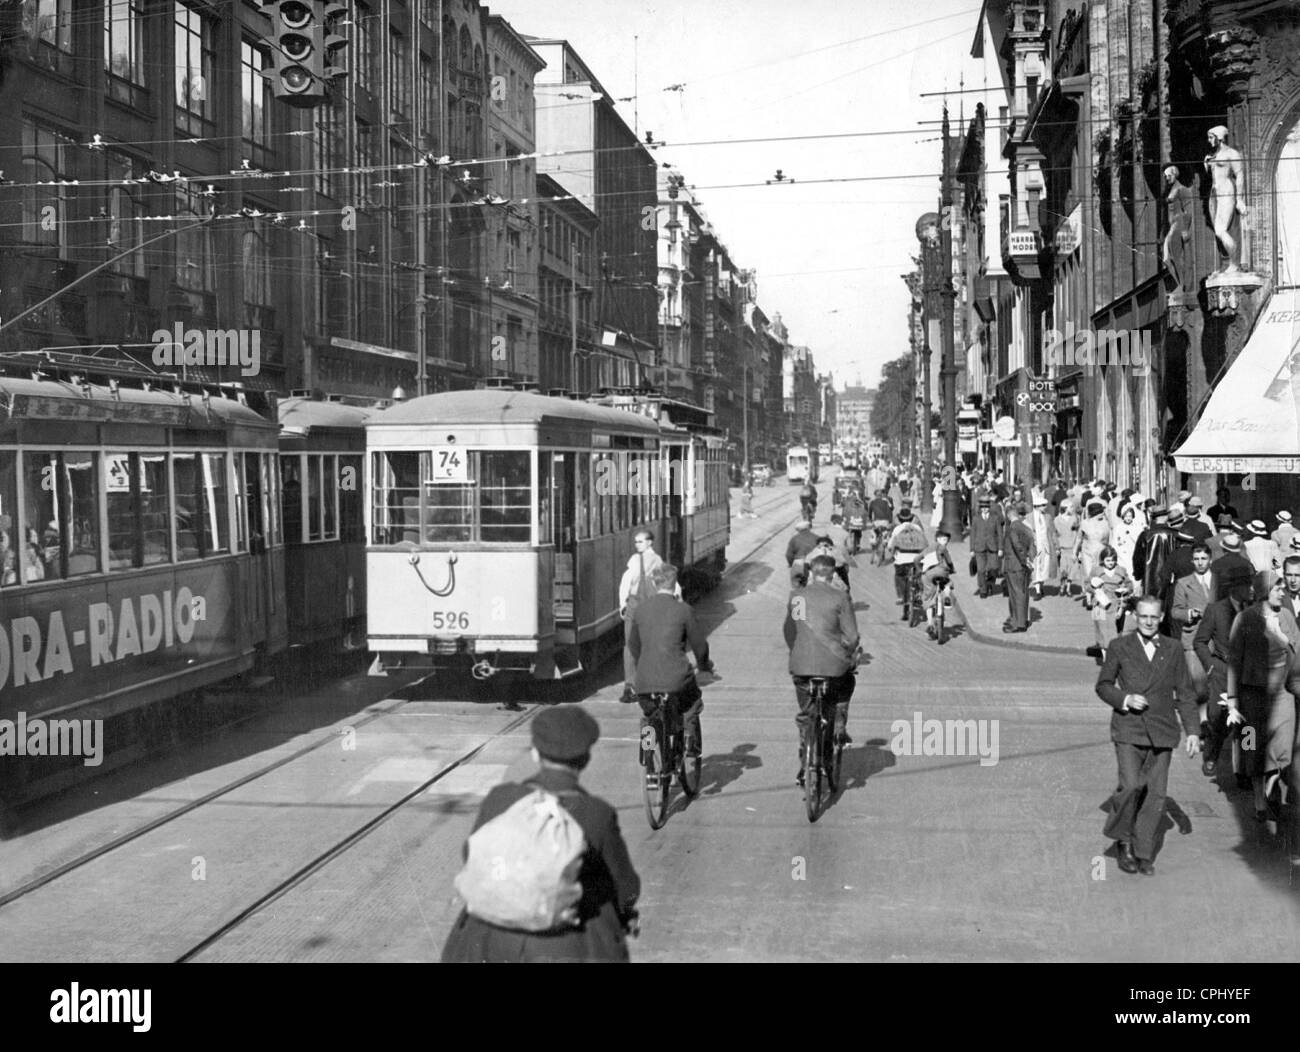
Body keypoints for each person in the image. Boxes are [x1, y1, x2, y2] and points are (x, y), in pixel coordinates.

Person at [441, 706, 641, 962]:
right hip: (562, 949)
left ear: (535, 753)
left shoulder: (500, 799)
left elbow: (470, 855)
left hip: (487, 947)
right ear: (585, 761)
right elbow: (625, 887)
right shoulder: (597, 814)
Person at [1096, 596, 1201, 876]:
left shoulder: (1174, 648)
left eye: (1154, 617)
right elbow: (1103, 686)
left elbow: (1186, 692)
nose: (1149, 622)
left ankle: (1142, 852)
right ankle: (1123, 840)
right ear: (1135, 616)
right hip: (1129, 728)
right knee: (1130, 785)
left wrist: (1192, 730)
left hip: (1162, 731)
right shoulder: (1120, 646)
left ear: (1162, 616)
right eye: (1143, 617)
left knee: (1155, 796)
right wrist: (1125, 698)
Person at [1226, 573, 1299, 822]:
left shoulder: (1287, 616)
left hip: (1282, 694)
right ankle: (1260, 799)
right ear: (1263, 592)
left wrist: (1280, 635)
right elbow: (1234, 660)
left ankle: (1271, 787)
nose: (1283, 592)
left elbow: (1297, 652)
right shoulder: (1244, 619)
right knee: (1251, 747)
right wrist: (1233, 700)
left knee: (1284, 749)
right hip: (1251, 696)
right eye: (1278, 588)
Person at [783, 554, 860, 786]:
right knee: (842, 690)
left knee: (807, 714)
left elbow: (790, 631)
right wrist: (848, 651)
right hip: (833, 668)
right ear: (832, 574)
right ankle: (836, 728)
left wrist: (800, 650)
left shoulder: (798, 598)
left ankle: (804, 762)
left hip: (801, 666)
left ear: (811, 573)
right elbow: (852, 636)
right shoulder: (840, 597)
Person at [628, 563, 712, 762]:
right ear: (676, 585)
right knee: (692, 703)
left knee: (651, 715)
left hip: (645, 682)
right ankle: (691, 743)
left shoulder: (640, 610)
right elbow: (700, 645)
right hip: (677, 679)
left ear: (654, 584)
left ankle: (647, 752)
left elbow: (633, 646)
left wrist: (646, 663)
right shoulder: (684, 610)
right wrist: (704, 665)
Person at [1195, 581, 1253, 783]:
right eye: (1245, 582)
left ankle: (1246, 768)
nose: (1249, 588)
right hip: (1222, 672)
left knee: (1247, 723)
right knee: (1217, 718)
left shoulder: (1253, 609)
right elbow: (1200, 641)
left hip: (1247, 674)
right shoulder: (1216, 610)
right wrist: (1210, 666)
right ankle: (1211, 755)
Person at [617, 530, 677, 703]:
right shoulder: (658, 561)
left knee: (630, 645)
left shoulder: (636, 561)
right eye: (636, 542)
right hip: (650, 606)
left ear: (650, 542)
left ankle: (631, 686)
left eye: (641, 542)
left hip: (635, 606)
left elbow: (625, 584)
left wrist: (623, 605)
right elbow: (669, 584)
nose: (637, 545)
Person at [1171, 544, 1215, 699]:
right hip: (1193, 637)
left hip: (1216, 640)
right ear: (1192, 561)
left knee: (1216, 685)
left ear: (1210, 560)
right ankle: (1202, 720)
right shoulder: (1183, 583)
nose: (1200, 562)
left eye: (1203, 558)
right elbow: (1175, 611)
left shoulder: (1220, 581)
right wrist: (1189, 613)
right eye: (1196, 559)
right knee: (1199, 686)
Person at [1205, 125, 1249, 271]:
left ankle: (1235, 263)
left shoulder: (1231, 153)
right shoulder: (1214, 155)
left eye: (1211, 137)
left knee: (1220, 230)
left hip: (1226, 192)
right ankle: (1230, 263)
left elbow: (1240, 174)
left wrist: (1240, 199)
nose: (1209, 140)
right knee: (1218, 229)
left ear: (1219, 137)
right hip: (1215, 194)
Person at [1088, 546, 1135, 660]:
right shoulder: (1096, 570)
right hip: (1100, 604)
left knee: (1117, 630)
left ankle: (1112, 654)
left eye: (1113, 560)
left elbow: (1129, 585)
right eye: (1108, 560)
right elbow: (1087, 585)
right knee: (1102, 630)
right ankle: (1106, 655)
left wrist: (1126, 591)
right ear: (1102, 560)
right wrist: (1094, 589)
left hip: (1117, 604)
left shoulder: (1121, 571)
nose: (1111, 563)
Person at [1001, 502, 1036, 633]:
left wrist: (1024, 560)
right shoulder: (1024, 527)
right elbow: (1031, 544)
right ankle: (1022, 620)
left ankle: (1018, 623)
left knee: (1016, 594)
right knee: (1023, 592)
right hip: (1022, 566)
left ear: (1009, 515)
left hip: (1015, 565)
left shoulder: (1012, 528)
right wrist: (1029, 560)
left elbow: (1016, 546)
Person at [885, 507, 928, 612]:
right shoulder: (917, 528)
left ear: (900, 519)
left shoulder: (897, 529)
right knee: (919, 576)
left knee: (899, 576)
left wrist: (891, 551)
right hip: (917, 559)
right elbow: (925, 543)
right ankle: (918, 594)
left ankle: (900, 596)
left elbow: (890, 546)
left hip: (901, 559)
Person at [920, 528, 956, 640]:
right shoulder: (943, 549)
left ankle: (930, 623)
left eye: (945, 539)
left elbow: (920, 559)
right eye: (943, 539)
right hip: (941, 574)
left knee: (928, 599)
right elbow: (949, 562)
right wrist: (952, 569)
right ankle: (946, 597)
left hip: (928, 576)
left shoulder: (928, 549)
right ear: (938, 539)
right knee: (948, 583)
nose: (944, 541)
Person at [970, 495, 1004, 599]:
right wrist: (971, 549)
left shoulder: (995, 518)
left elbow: (999, 534)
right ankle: (983, 590)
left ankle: (989, 583)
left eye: (986, 507)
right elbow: (972, 534)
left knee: (993, 569)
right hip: (979, 548)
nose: (984, 509)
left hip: (992, 547)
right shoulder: (976, 519)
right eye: (982, 507)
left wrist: (1000, 548)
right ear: (980, 508)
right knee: (981, 570)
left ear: (989, 507)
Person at [1210, 531, 1253, 601]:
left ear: (1223, 548)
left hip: (1222, 601)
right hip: (1243, 601)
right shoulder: (1248, 564)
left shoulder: (1217, 564)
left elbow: (1213, 589)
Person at [1075, 500, 1111, 582]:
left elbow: (1107, 539)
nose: (1103, 513)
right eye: (1102, 511)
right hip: (1087, 552)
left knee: (1100, 573)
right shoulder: (1084, 523)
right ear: (1097, 512)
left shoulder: (1105, 523)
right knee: (1088, 573)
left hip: (1100, 552)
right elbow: (1079, 538)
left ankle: (1097, 592)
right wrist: (1075, 552)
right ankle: (1089, 592)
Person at [1029, 496, 1054, 600]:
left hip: (1045, 545)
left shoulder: (1047, 517)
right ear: (1037, 506)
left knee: (1044, 567)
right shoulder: (1030, 517)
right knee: (1036, 568)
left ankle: (1041, 585)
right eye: (1043, 505)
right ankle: (1037, 590)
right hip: (1035, 545)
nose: (1045, 507)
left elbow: (1052, 531)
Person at [1055, 501, 1081, 597]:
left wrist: (1078, 549)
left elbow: (1078, 534)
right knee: (1063, 570)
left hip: (1072, 547)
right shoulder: (1057, 520)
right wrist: (1057, 547)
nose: (1072, 509)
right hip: (1062, 548)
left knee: (1072, 570)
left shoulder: (1075, 518)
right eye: (1070, 507)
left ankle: (1068, 588)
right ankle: (1062, 587)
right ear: (1065, 508)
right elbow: (1055, 534)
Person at [785, 519, 819, 587]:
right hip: (813, 566)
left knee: (797, 587)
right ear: (808, 528)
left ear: (799, 530)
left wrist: (791, 564)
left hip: (798, 564)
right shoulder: (817, 538)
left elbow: (788, 555)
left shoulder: (794, 538)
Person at [1111, 504, 1142, 577]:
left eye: (1130, 516)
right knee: (1124, 571)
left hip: (1133, 551)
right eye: (1126, 516)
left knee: (1132, 571)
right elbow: (1115, 541)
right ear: (1123, 516)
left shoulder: (1137, 527)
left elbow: (1139, 540)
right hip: (1122, 553)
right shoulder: (1118, 527)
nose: (1128, 518)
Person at [866, 488, 894, 554]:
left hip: (876, 522)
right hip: (885, 522)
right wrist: (890, 521)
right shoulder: (886, 502)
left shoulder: (872, 502)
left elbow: (869, 513)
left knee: (873, 532)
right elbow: (890, 511)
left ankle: (873, 541)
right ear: (881, 495)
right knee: (886, 533)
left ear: (875, 495)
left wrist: (870, 520)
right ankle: (885, 541)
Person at [841, 489, 868, 555]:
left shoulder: (848, 502)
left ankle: (853, 544)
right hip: (856, 523)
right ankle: (857, 544)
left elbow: (843, 512)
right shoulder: (858, 502)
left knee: (848, 532)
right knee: (858, 531)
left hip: (851, 522)